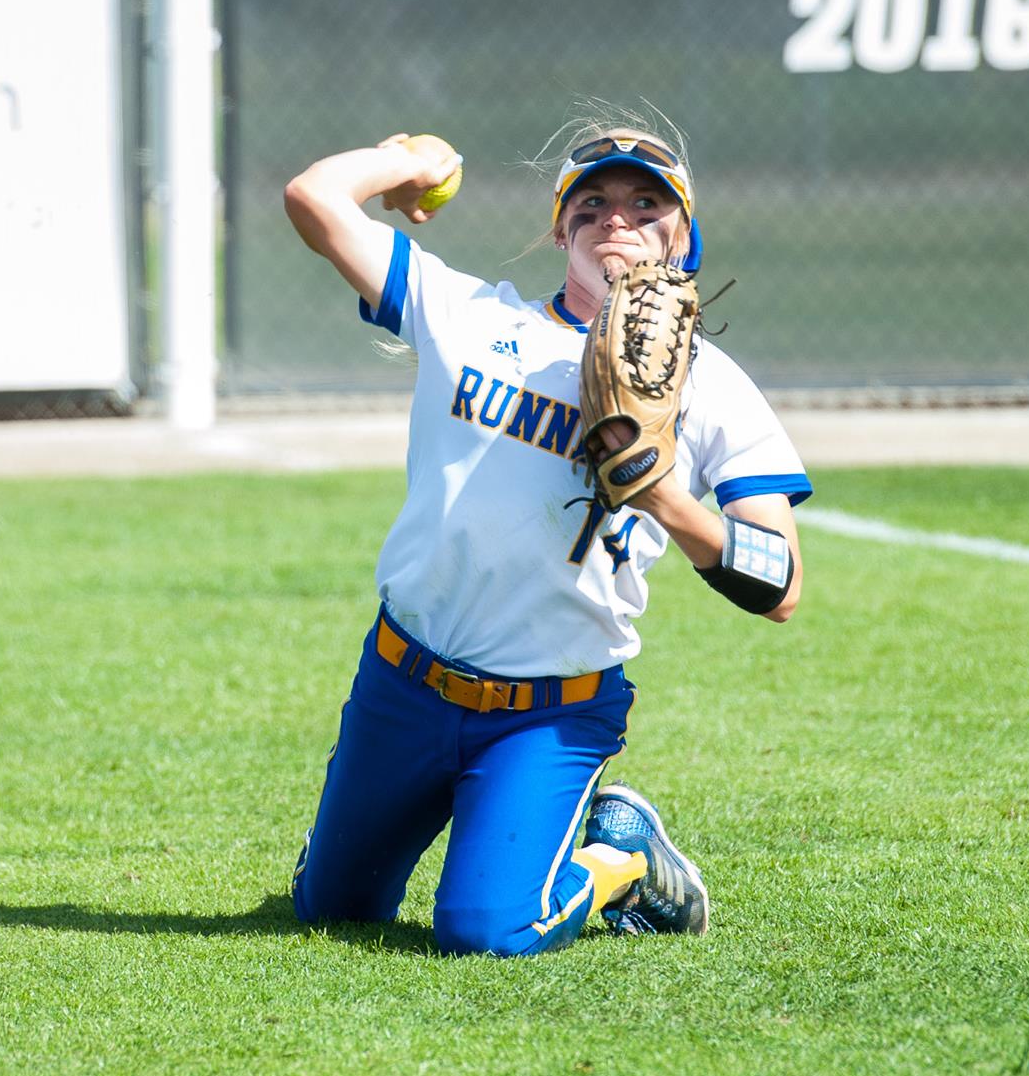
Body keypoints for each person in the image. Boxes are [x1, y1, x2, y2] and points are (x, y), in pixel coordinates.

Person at [281, 109, 812, 956]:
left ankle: (622, 859)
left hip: (548, 715)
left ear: (686, 237)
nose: (618, 219)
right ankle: (364, 847)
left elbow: (780, 584)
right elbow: (314, 197)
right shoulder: (465, 317)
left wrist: (669, 502)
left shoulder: (714, 389)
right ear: (560, 227)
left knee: (488, 932)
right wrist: (406, 158)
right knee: (333, 913)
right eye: (593, 201)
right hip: (404, 685)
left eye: (648, 205)